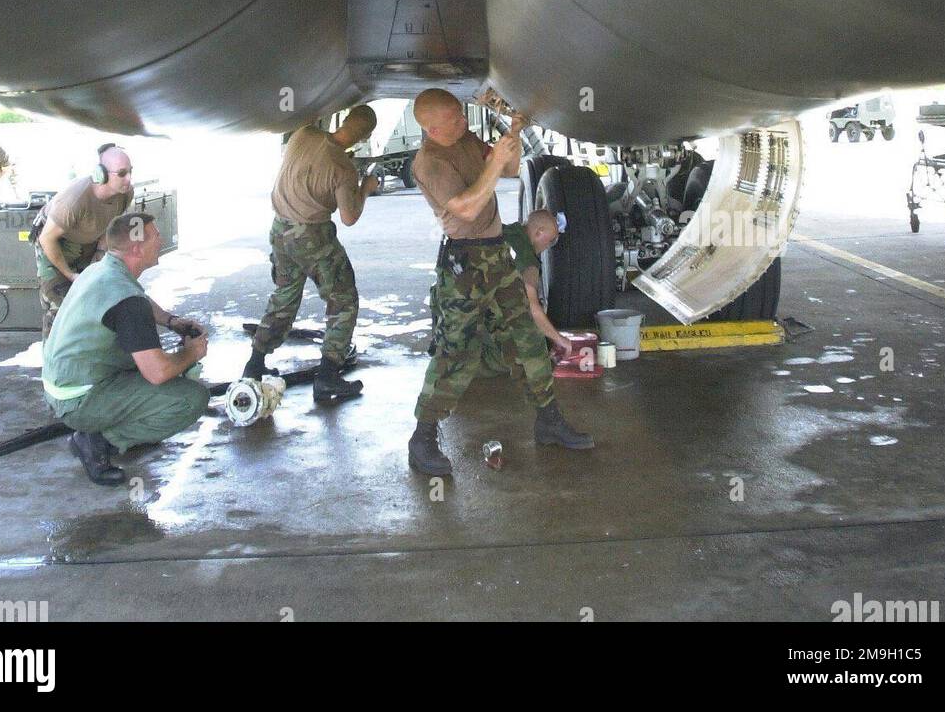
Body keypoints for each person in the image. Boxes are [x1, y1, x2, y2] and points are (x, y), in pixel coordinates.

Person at [407, 88, 593, 476]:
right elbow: (469, 206)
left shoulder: (464, 139)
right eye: (455, 119)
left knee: (526, 336)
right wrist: (495, 160)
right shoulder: (429, 163)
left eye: (462, 114)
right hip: (464, 264)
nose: (464, 120)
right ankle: (423, 438)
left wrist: (514, 132)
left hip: (495, 254)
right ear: (431, 128)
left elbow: (507, 171)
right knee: (455, 351)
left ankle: (548, 419)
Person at [41, 212, 208, 485]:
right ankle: (97, 441)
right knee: (190, 397)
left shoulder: (101, 269)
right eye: (155, 236)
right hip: (79, 400)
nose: (161, 239)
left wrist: (170, 320)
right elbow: (157, 372)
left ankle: (111, 428)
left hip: (63, 382)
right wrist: (192, 352)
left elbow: (135, 295)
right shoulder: (129, 304)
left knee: (152, 369)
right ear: (136, 249)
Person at [242, 105, 379, 404]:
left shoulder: (303, 135)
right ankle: (328, 376)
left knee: (284, 297)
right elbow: (349, 216)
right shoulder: (343, 168)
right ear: (366, 135)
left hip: (280, 230)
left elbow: (313, 163)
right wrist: (365, 188)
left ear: (343, 120)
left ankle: (254, 364)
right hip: (313, 237)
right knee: (343, 300)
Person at [34, 144, 134, 339]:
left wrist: (98, 257)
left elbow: (109, 224)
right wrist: (71, 275)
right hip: (55, 244)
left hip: (87, 242)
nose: (129, 179)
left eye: (130, 171)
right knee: (60, 308)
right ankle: (54, 363)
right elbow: (47, 238)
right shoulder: (74, 200)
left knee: (96, 297)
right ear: (101, 174)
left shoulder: (125, 193)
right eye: (122, 173)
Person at [478, 211, 578, 372]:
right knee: (530, 354)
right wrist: (559, 339)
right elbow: (531, 307)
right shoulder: (527, 260)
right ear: (539, 232)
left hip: (455, 312)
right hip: (479, 327)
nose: (548, 246)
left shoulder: (505, 231)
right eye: (550, 241)